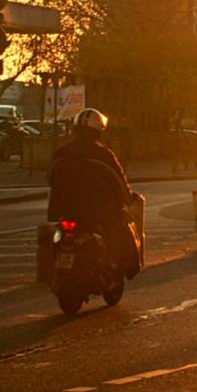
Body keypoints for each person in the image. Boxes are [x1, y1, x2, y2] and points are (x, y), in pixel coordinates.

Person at [47, 107, 141, 279]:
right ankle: (119, 266)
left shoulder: (62, 152)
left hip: (65, 209)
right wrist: (127, 198)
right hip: (97, 211)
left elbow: (50, 178)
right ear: (98, 131)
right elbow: (119, 180)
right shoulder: (103, 154)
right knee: (121, 232)